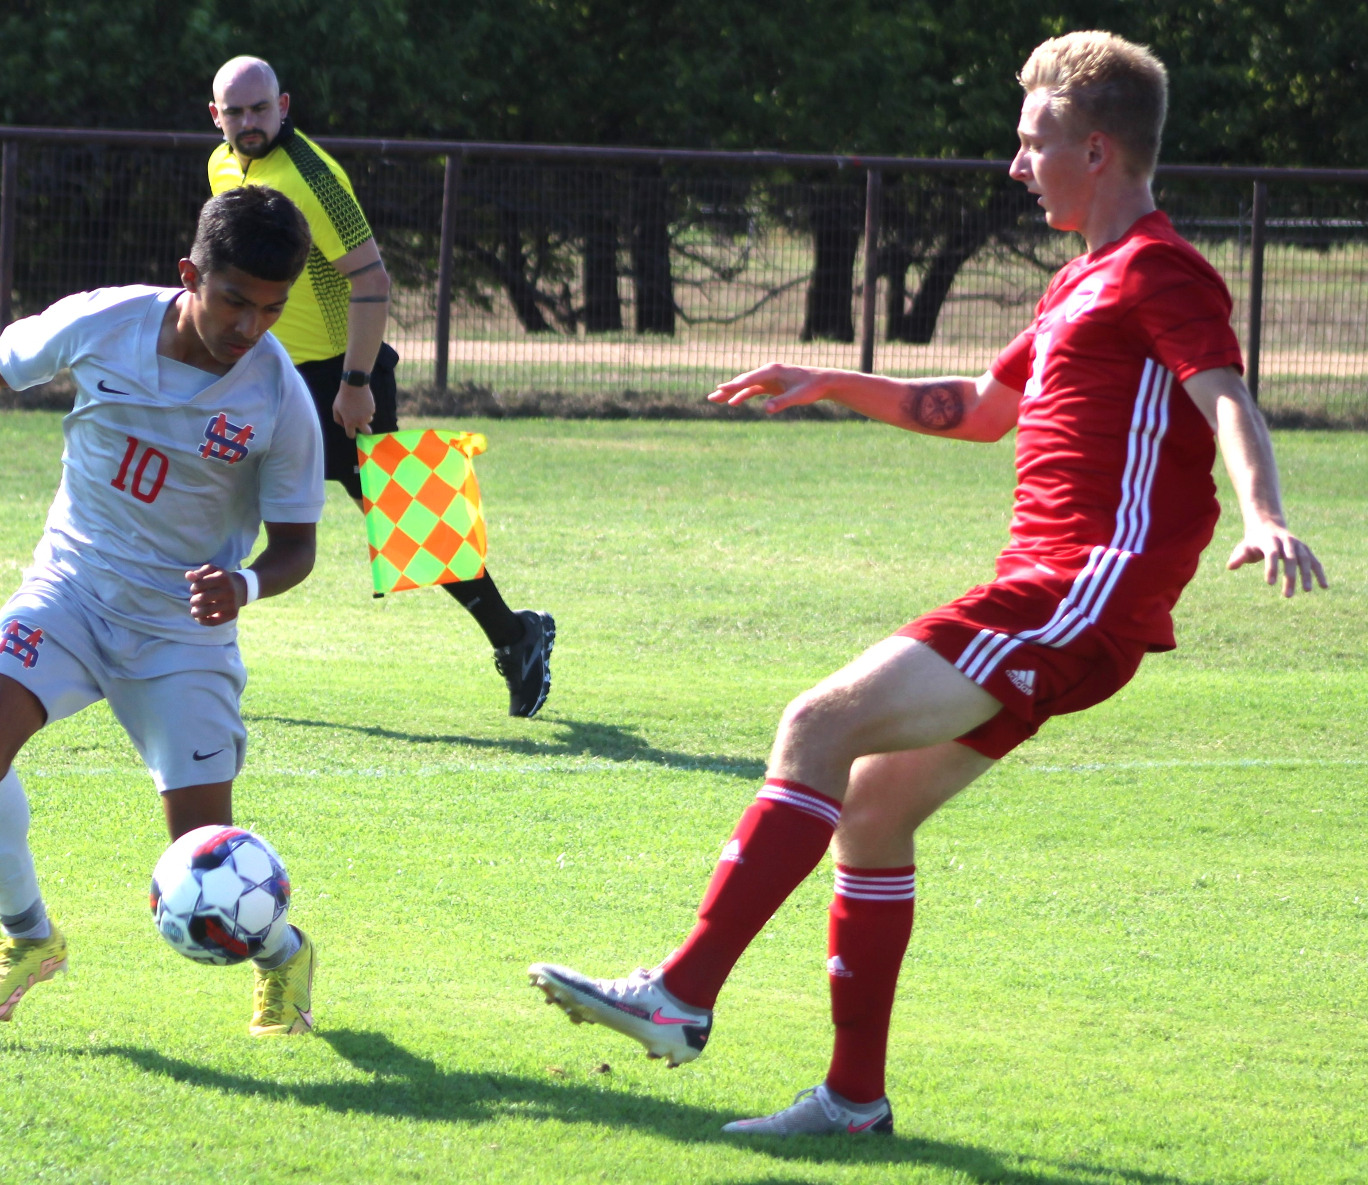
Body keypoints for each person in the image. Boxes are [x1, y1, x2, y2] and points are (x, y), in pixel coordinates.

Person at [527, 31, 1328, 1136]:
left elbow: (1223, 393)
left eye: (1031, 142)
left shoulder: (1160, 269)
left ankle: (680, 995)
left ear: (1095, 150)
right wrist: (828, 380)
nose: (1014, 165)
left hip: (1080, 587)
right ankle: (853, 1103)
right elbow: (981, 407)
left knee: (816, 723)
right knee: (870, 812)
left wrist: (1266, 514)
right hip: (1058, 590)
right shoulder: (1076, 283)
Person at [0, 186, 330, 1037]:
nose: (250, 327)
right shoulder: (103, 322)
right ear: (191, 275)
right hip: (70, 590)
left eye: (271, 309)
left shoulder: (281, 399)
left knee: (203, 857)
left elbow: (297, 543)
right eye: (233, 301)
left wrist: (245, 586)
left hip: (183, 633)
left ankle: (285, 951)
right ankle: (29, 939)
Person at [207, 55, 555, 718]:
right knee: (215, 483)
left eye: (260, 109)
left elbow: (372, 280)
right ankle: (183, 648)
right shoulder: (223, 165)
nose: (249, 123)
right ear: (215, 115)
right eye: (236, 112)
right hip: (265, 368)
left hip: (339, 376)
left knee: (408, 520)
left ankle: (518, 636)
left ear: (284, 105)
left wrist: (357, 382)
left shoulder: (315, 179)